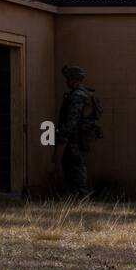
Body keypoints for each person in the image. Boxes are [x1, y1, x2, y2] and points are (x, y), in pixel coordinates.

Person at [56, 65, 99, 196]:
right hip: (81, 134)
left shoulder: (77, 96)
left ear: (74, 80)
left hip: (76, 136)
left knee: (75, 163)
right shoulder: (84, 93)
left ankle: (80, 192)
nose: (66, 82)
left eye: (68, 79)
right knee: (74, 162)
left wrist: (62, 134)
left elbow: (72, 119)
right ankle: (76, 192)